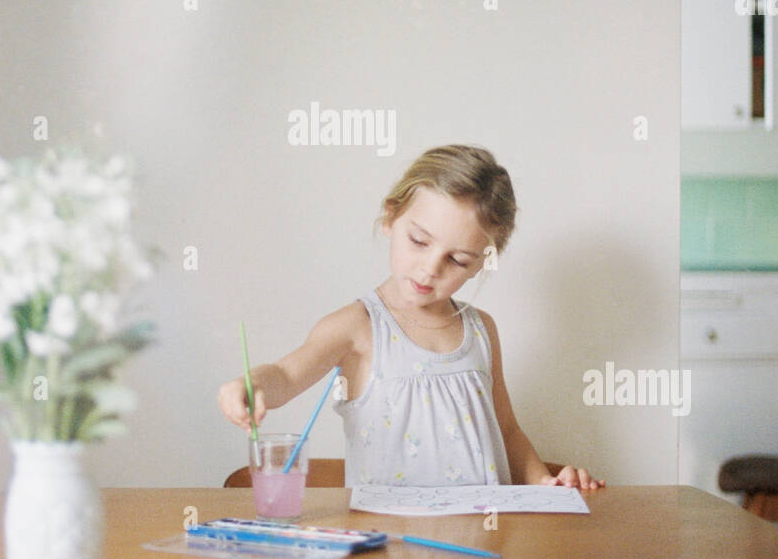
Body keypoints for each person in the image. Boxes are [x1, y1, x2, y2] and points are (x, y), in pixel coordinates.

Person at [218, 144, 605, 491]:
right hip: (390, 552)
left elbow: (507, 431)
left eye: (457, 260)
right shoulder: (358, 327)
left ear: (481, 264)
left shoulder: (481, 329)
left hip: (487, 546)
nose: (430, 268)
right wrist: (249, 386)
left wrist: (545, 481)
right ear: (390, 218)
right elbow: (285, 376)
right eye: (419, 241)